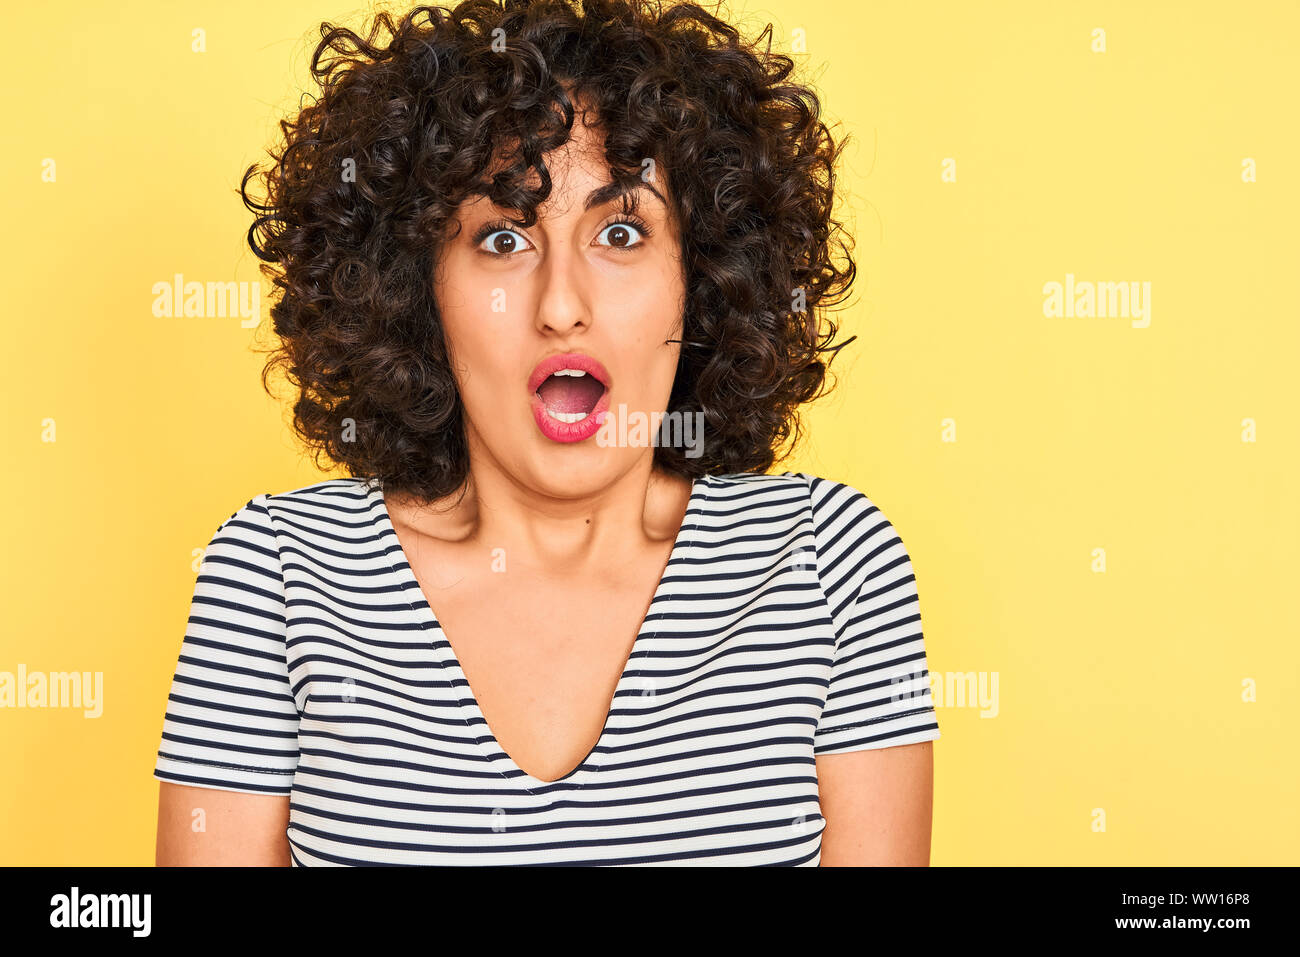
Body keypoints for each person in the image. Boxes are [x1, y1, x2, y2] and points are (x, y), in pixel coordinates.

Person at [154, 0, 939, 866]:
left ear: (702, 277)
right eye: (501, 239)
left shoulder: (828, 568)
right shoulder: (276, 576)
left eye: (620, 231)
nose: (562, 304)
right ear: (419, 288)